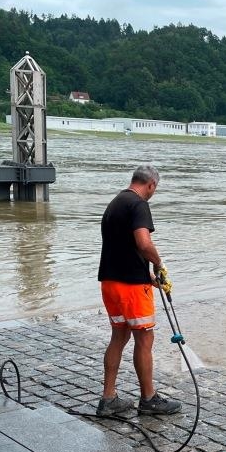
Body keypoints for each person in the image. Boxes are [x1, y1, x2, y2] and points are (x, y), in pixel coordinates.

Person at [96, 164, 181, 416]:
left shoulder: (115, 203)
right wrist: (159, 262)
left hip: (110, 283)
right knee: (144, 339)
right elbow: (143, 243)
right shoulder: (139, 204)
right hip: (132, 287)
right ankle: (149, 399)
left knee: (118, 337)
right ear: (151, 184)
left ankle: (108, 399)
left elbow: (124, 248)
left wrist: (148, 274)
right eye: (155, 189)